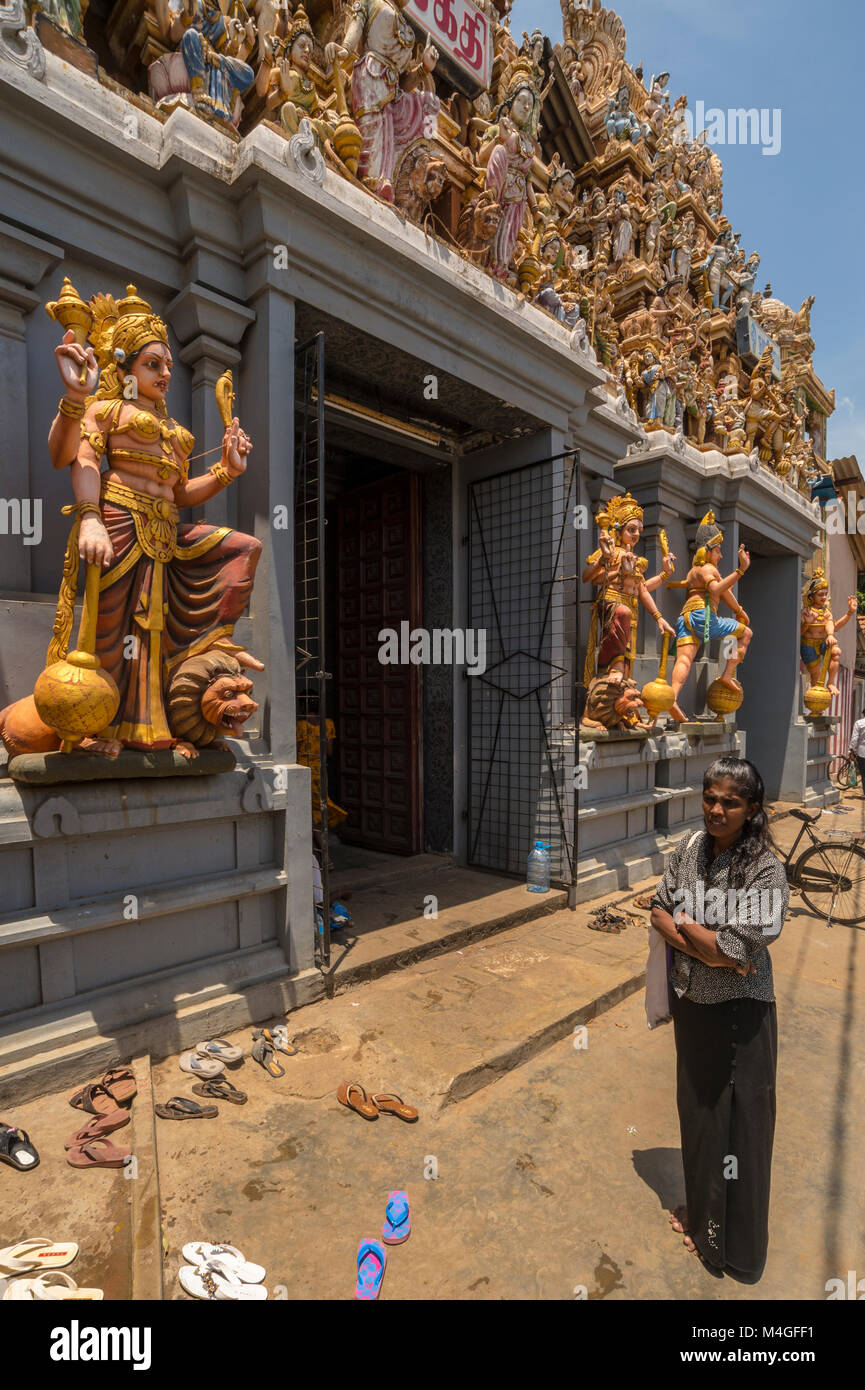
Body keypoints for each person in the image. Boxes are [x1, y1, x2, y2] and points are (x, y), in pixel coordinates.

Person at [650, 756, 788, 1278]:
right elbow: (659, 909)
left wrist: (707, 941)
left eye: (730, 801)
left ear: (752, 808)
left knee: (744, 1131)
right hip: (694, 1008)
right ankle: (704, 1225)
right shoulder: (689, 850)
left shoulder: (765, 871)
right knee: (702, 1119)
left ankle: (739, 1252)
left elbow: (738, 952)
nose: (716, 808)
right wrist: (701, 940)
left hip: (743, 1017)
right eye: (709, 797)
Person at [849, 711, 865, 794]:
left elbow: (855, 738)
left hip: (862, 753)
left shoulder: (859, 723)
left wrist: (851, 750)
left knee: (863, 773)